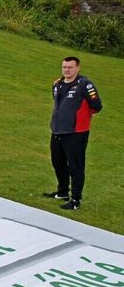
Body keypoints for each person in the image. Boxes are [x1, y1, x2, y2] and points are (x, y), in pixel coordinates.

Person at [44, 56, 103, 211]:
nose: (67, 70)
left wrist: (83, 117)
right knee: (58, 162)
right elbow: (60, 104)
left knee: (76, 167)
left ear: (78, 68)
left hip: (76, 133)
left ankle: (76, 200)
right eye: (64, 67)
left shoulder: (85, 84)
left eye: (70, 67)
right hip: (57, 130)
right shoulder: (57, 84)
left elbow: (96, 105)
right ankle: (62, 191)